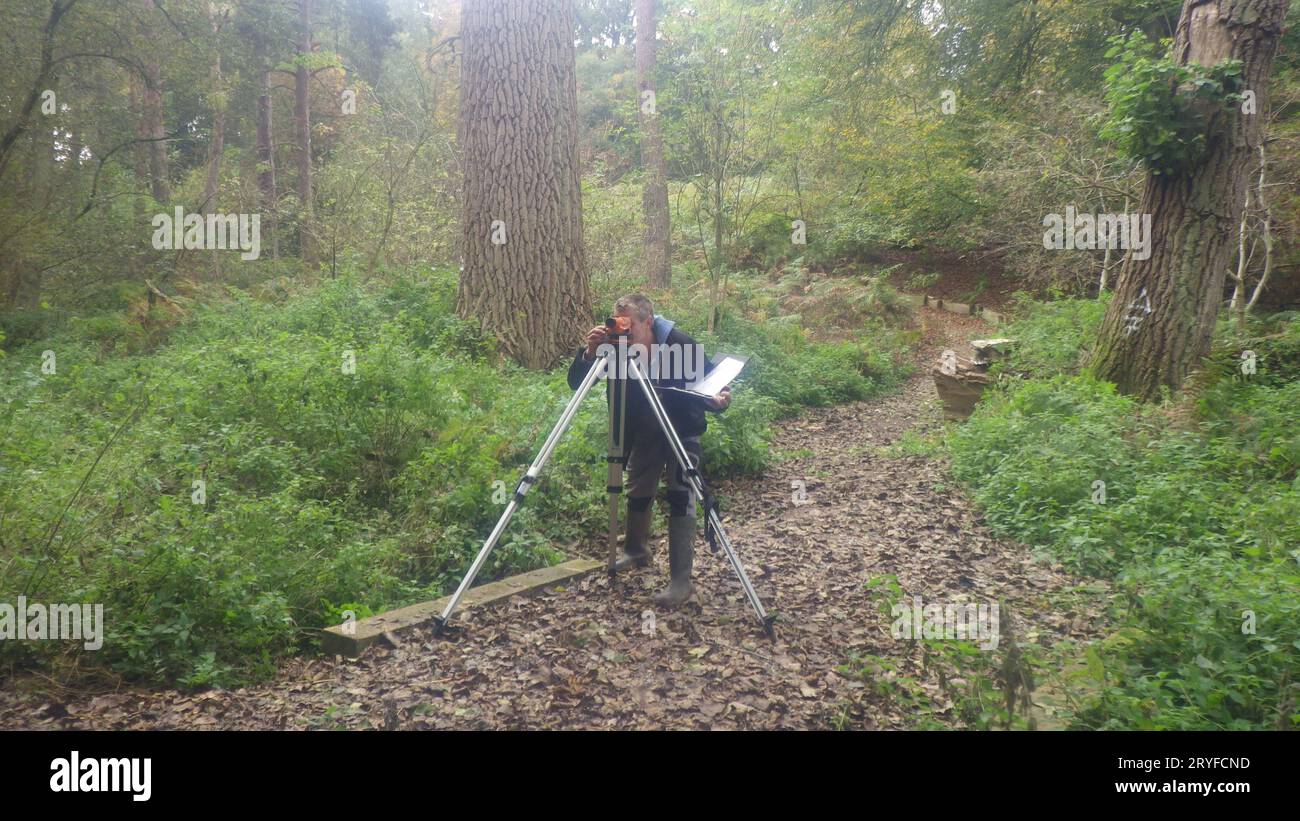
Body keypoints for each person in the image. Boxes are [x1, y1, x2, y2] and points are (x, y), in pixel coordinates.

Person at [567, 294, 730, 607]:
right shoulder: (614, 348)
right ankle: (636, 550)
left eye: (629, 325)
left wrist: (721, 399)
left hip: (681, 430)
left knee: (681, 494)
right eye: (617, 323)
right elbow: (577, 383)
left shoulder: (681, 344)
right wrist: (590, 352)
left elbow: (714, 387)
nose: (623, 332)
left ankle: (681, 582)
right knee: (639, 488)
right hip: (642, 432)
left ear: (648, 321)